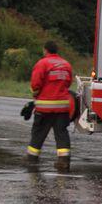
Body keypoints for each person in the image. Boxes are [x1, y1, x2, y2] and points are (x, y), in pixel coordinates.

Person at [26, 41, 73, 171]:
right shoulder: (66, 64)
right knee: (62, 134)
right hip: (62, 107)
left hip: (44, 107)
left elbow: (35, 84)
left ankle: (32, 160)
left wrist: (35, 96)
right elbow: (68, 83)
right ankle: (64, 161)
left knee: (38, 133)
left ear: (45, 50)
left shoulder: (42, 63)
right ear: (56, 50)